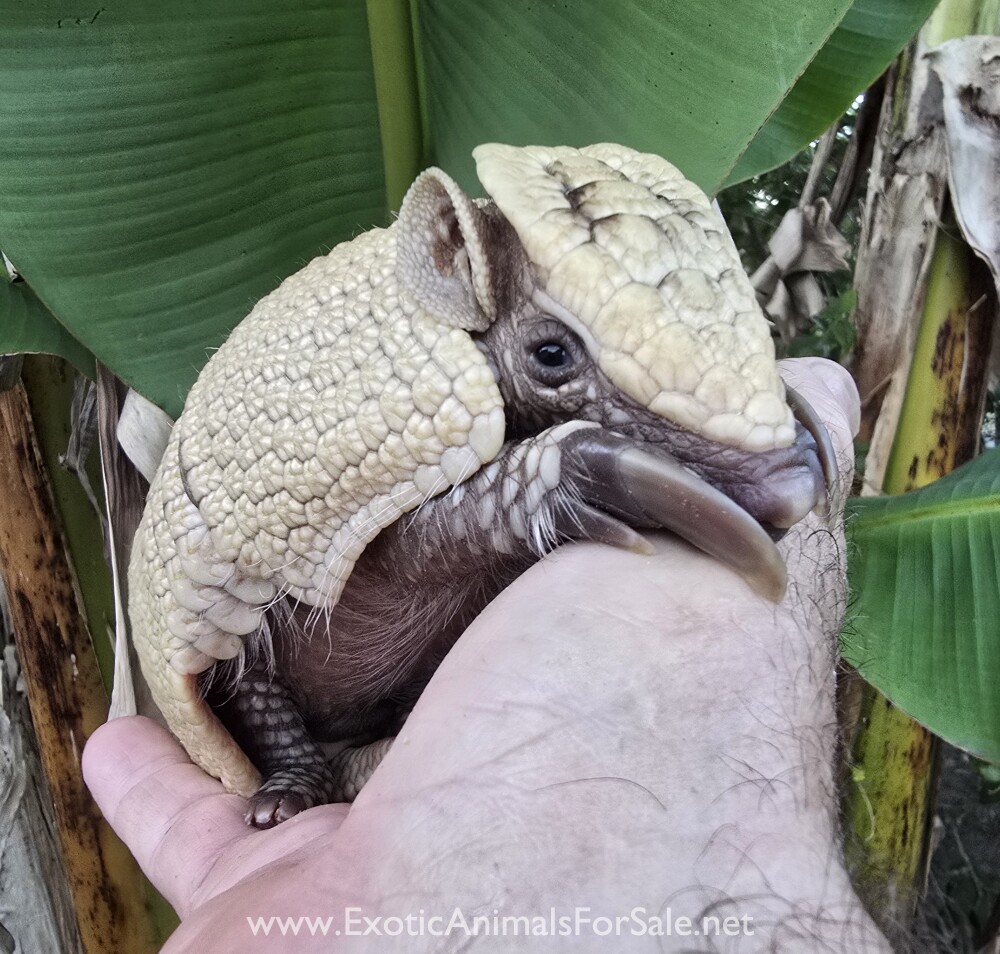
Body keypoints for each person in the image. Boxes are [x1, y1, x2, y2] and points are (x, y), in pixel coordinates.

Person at [83, 358, 891, 952]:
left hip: (418, 693)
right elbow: (415, 539)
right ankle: (299, 768)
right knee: (246, 648)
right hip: (290, 667)